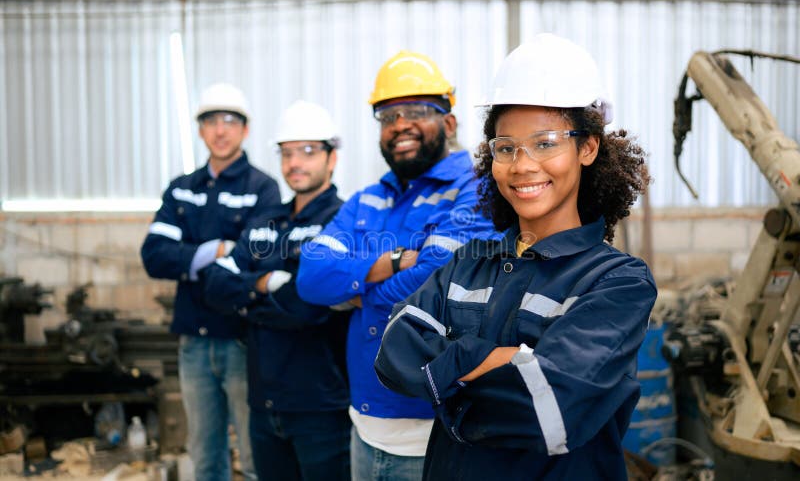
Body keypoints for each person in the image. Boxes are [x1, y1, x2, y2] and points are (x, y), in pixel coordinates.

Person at [374, 33, 657, 480]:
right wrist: (494, 360)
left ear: (587, 148)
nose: (522, 165)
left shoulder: (617, 282)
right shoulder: (469, 261)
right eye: (506, 147)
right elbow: (394, 352)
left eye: (545, 143)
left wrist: (446, 381)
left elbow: (549, 410)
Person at [295, 51, 496, 481]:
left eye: (417, 111)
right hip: (364, 426)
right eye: (388, 116)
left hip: (435, 433)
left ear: (449, 123)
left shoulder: (477, 187)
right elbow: (311, 275)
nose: (400, 124)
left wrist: (355, 291)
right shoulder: (368, 197)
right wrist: (394, 261)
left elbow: (437, 281)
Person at [201, 100, 350, 481]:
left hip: (321, 408)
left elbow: (308, 307)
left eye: (308, 151)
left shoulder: (344, 220)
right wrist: (266, 284)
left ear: (331, 158)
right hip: (264, 405)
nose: (294, 163)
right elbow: (214, 286)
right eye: (286, 153)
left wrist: (247, 299)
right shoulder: (266, 222)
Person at [141, 82, 279, 481]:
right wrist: (216, 250)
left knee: (254, 458)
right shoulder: (182, 189)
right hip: (194, 345)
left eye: (230, 121)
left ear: (245, 129)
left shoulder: (263, 189)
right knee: (205, 458)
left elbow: (255, 261)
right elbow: (154, 256)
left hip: (242, 342)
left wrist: (189, 258)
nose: (220, 130)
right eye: (211, 121)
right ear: (201, 130)